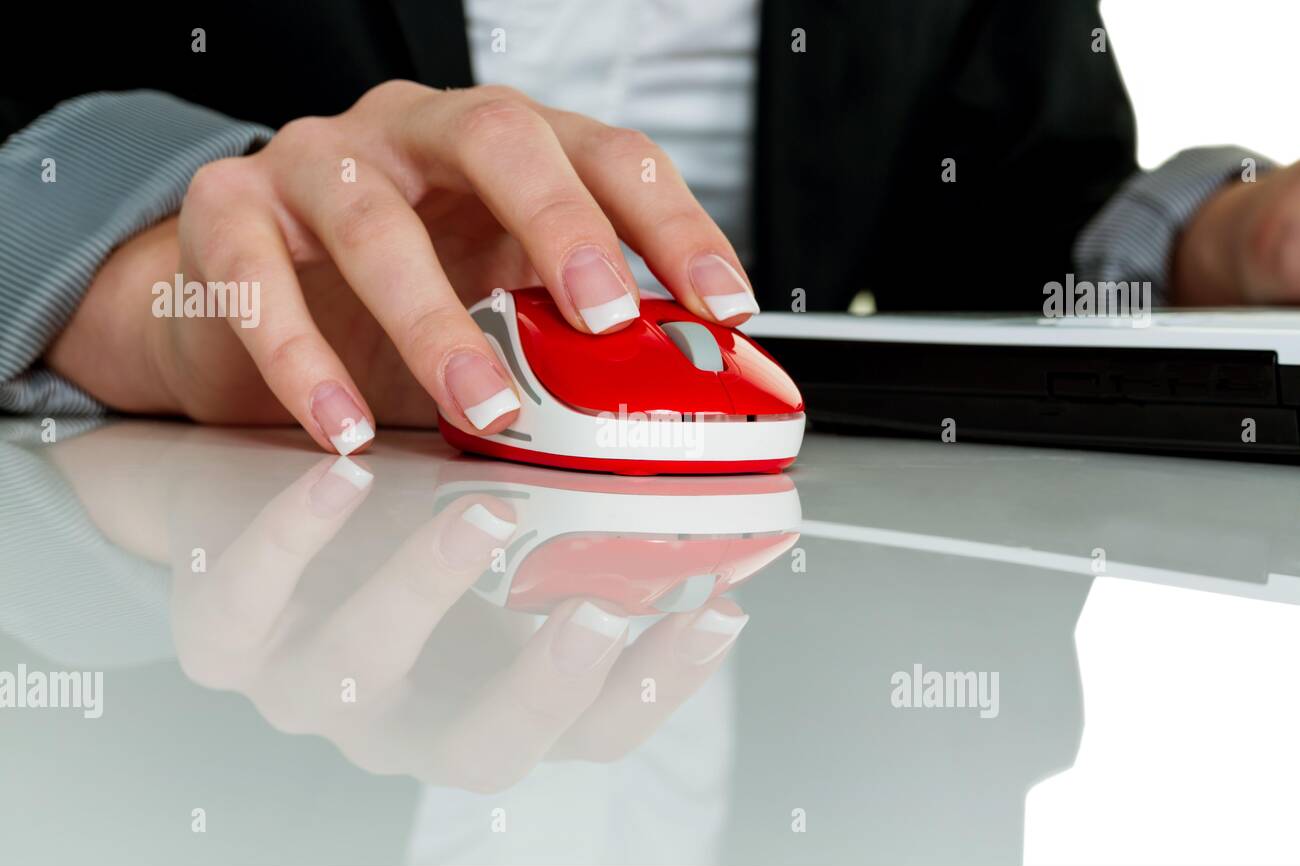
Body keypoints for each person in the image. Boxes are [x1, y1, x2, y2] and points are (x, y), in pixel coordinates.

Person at [1, 1, 1294, 455]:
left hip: (809, 561)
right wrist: (134, 289)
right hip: (242, 530)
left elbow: (1012, 217)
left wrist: (1228, 242)